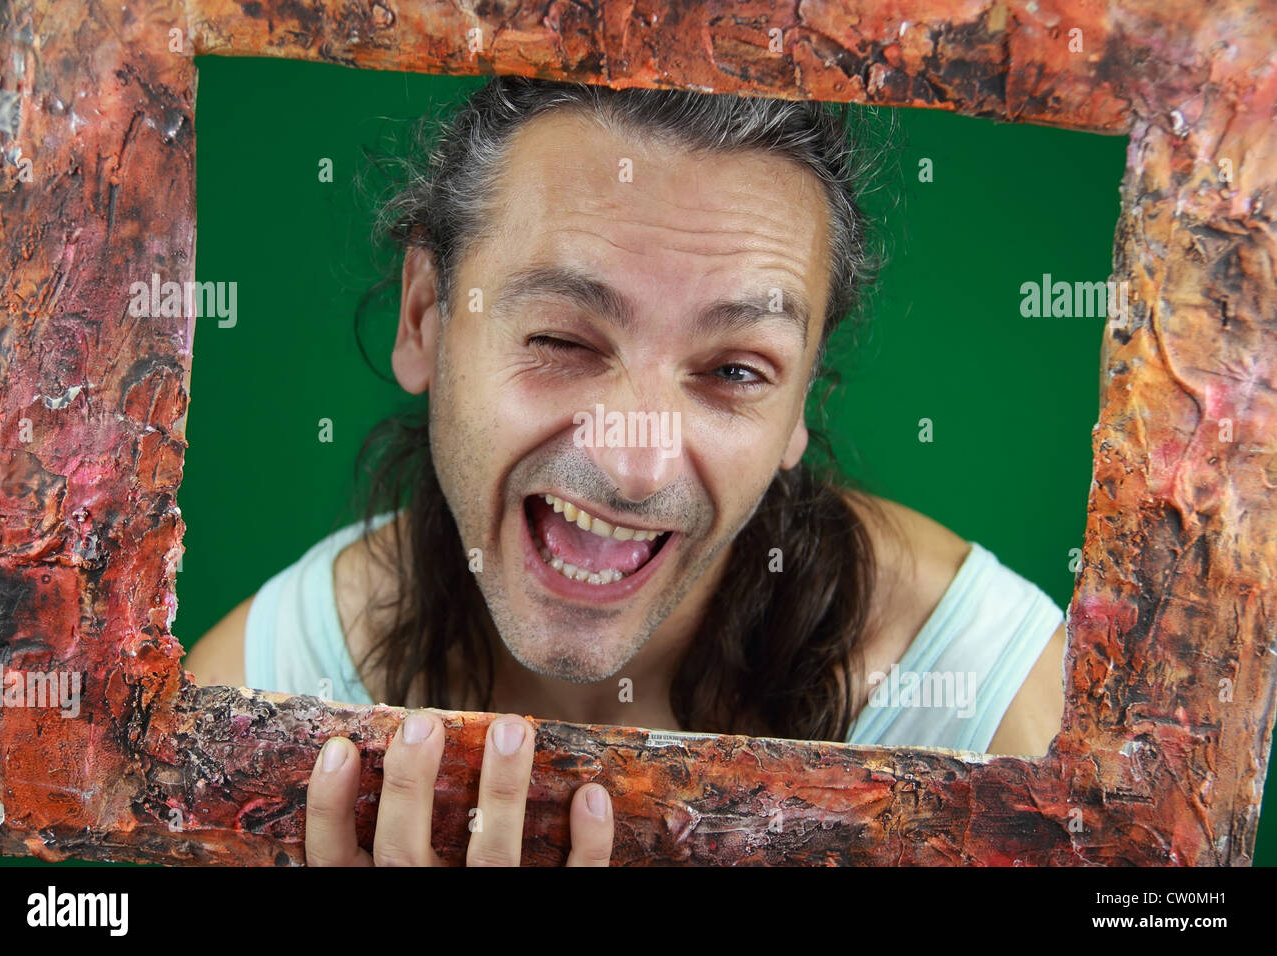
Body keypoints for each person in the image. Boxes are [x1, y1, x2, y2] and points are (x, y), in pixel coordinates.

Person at [185, 76, 1068, 866]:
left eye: (734, 372)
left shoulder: (1001, 718)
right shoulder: (258, 700)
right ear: (424, 317)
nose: (636, 464)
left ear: (799, 403)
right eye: (562, 340)